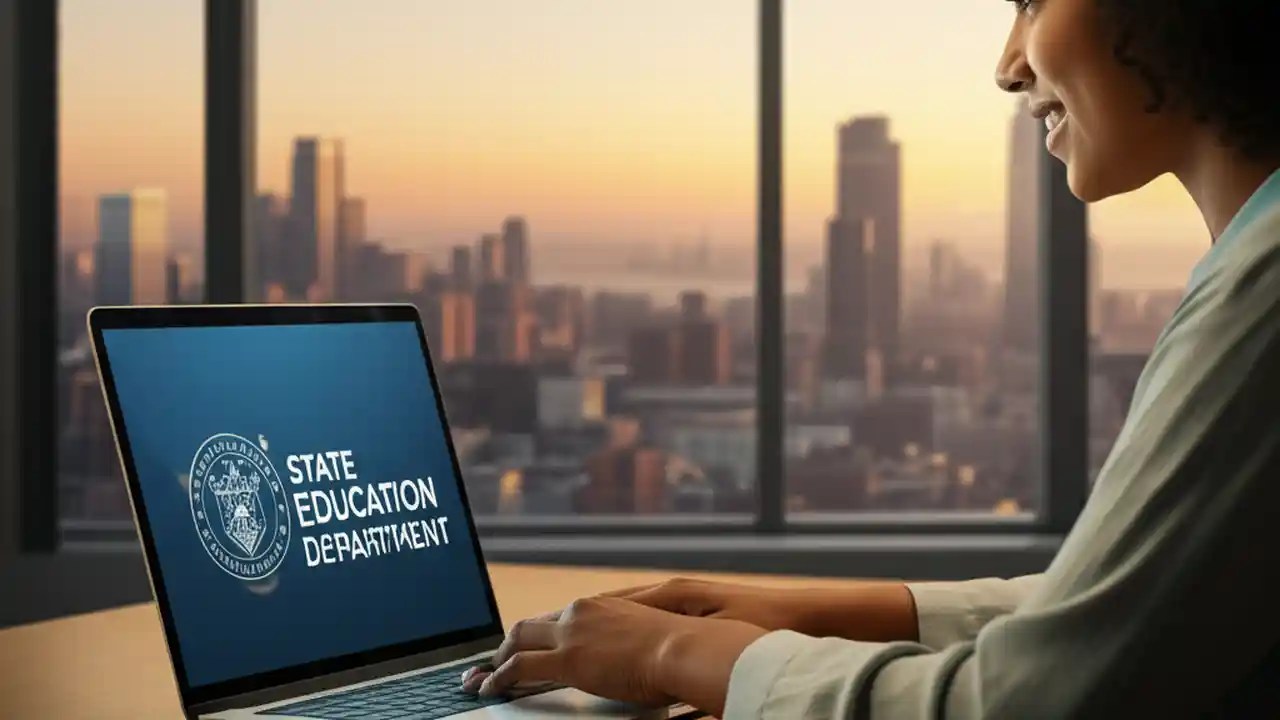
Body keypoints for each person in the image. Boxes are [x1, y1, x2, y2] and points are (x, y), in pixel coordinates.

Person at [462, 0, 1280, 716]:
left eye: (1032, 0)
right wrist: (804, 614)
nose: (1007, 65)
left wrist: (667, 657)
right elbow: (1140, 614)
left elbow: (1028, 706)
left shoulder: (1265, 287)